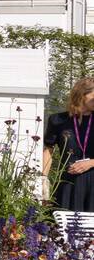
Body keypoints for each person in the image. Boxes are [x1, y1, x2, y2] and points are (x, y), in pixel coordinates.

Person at [44, 77, 94, 212]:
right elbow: (48, 150)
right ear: (82, 95)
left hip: (92, 185)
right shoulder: (57, 120)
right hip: (67, 184)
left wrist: (90, 163)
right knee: (64, 222)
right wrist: (43, 179)